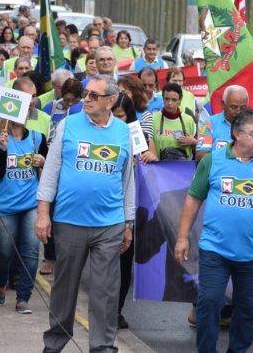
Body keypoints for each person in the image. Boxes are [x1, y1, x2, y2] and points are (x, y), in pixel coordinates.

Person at [175, 108, 253, 353]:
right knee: (209, 303)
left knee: (248, 311)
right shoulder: (212, 161)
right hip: (215, 251)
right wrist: (182, 237)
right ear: (237, 134)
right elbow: (193, 200)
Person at [36, 75, 134, 353]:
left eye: (93, 95)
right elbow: (51, 172)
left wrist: (128, 223)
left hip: (110, 224)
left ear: (110, 101)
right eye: (86, 94)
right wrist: (43, 213)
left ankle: (102, 346)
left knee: (105, 290)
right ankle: (55, 342)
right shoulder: (68, 124)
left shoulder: (124, 132)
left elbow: (128, 181)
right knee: (64, 288)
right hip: (69, 222)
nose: (86, 99)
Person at [0, 115, 48, 314]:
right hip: (4, 207)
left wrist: (43, 161)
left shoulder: (37, 138)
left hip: (30, 205)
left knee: (31, 250)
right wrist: (2, 149)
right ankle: (0, 282)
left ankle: (23, 297)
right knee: (4, 251)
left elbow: (49, 172)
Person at [110, 93, 139, 329]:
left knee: (124, 262)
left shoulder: (135, 135)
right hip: (103, 208)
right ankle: (101, 309)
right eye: (114, 116)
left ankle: (116, 310)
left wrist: (147, 157)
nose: (118, 121)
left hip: (128, 209)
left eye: (122, 116)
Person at [195, 85, 249, 161]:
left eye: (243, 108)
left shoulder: (251, 125)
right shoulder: (210, 123)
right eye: (234, 107)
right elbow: (201, 155)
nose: (239, 111)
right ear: (223, 104)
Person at [150, 83, 198, 160]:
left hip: (184, 168)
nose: (169, 103)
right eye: (167, 99)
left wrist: (194, 142)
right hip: (159, 169)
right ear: (162, 98)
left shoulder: (189, 120)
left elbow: (201, 147)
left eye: (174, 100)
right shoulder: (152, 119)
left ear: (180, 100)